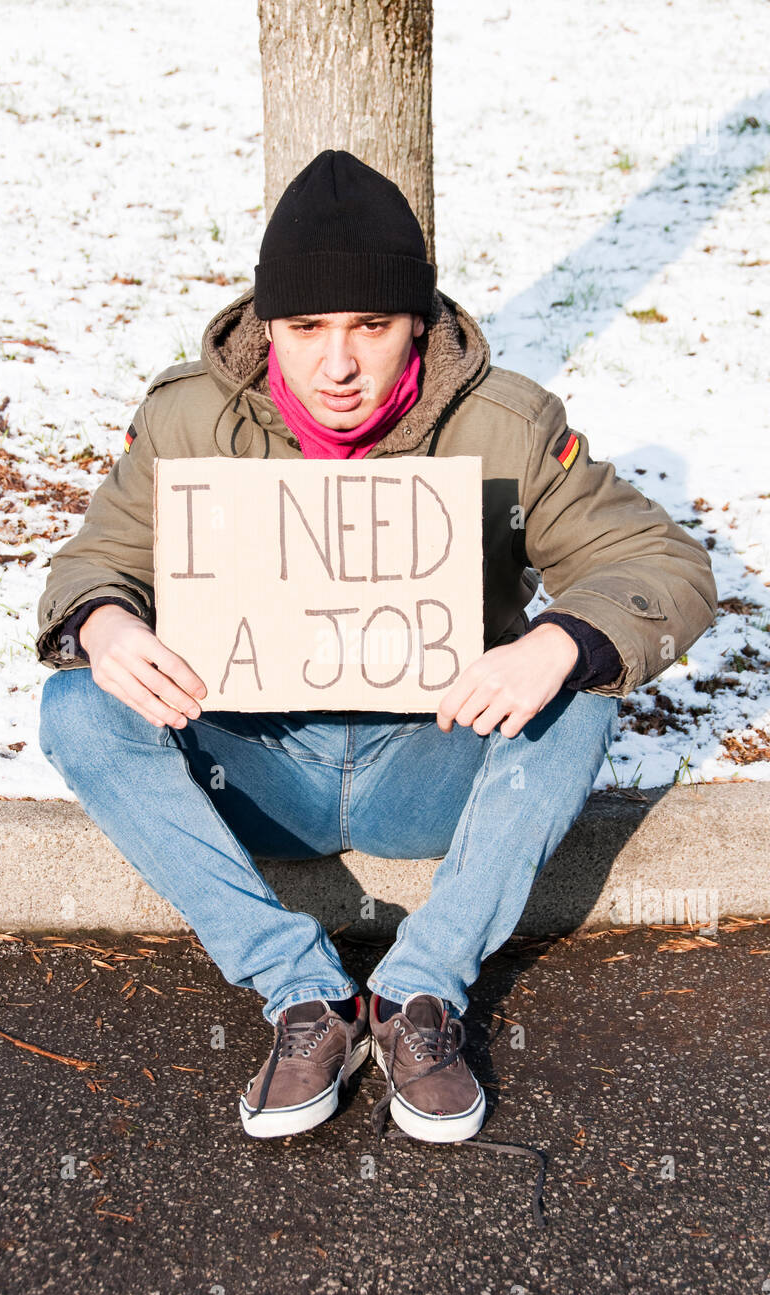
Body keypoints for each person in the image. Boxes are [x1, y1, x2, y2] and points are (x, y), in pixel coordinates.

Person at [36, 150, 718, 1144]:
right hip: (252, 766)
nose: (338, 362)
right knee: (76, 706)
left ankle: (417, 992)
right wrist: (103, 617)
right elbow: (94, 558)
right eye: (306, 327)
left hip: (427, 762)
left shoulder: (504, 423)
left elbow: (658, 561)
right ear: (268, 324)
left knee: (582, 682)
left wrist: (563, 639)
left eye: (372, 325)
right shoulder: (186, 415)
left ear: (418, 323)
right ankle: (299, 993)